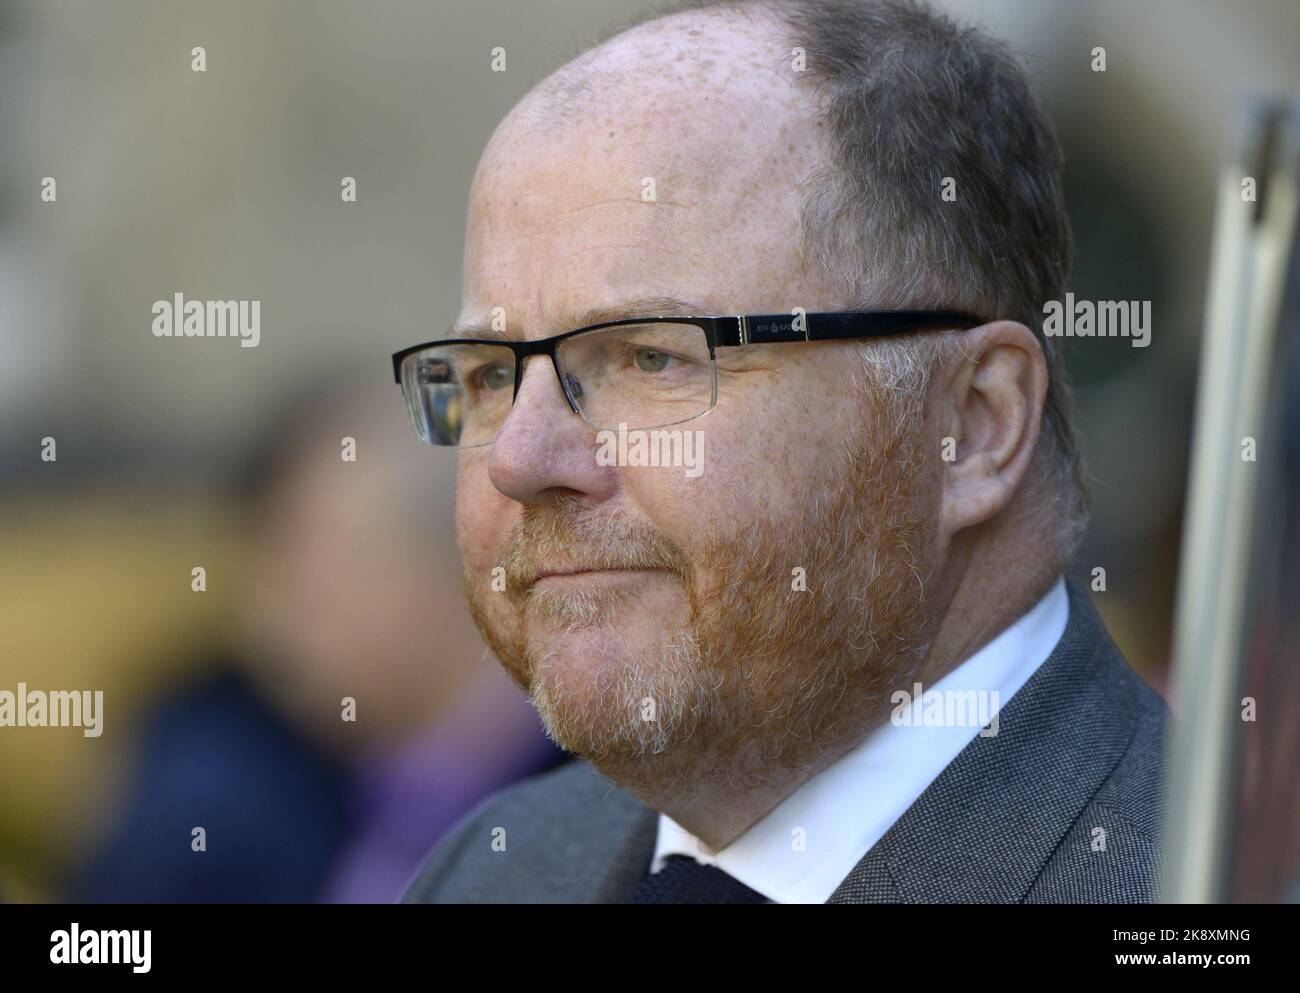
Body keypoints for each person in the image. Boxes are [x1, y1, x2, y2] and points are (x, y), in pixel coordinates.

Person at [398, 0, 1168, 904]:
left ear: (975, 424)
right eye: (491, 376)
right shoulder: (492, 872)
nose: (520, 460)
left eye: (651, 356)